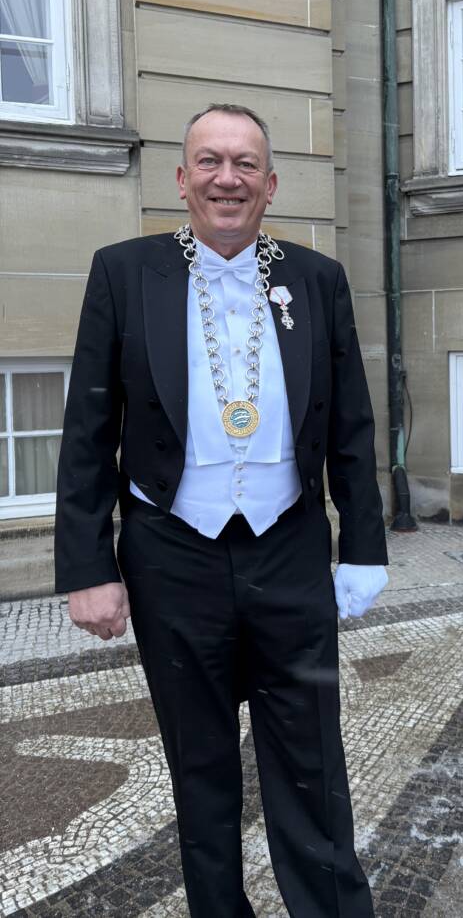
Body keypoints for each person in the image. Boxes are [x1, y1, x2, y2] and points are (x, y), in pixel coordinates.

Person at [55, 103, 389, 917]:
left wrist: (365, 546)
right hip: (174, 553)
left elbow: (349, 420)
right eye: (210, 161)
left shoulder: (316, 278)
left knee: (310, 760)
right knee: (200, 765)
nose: (227, 178)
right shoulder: (123, 272)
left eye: (245, 163)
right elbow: (89, 428)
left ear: (270, 185)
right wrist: (89, 567)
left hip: (289, 546)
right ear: (182, 178)